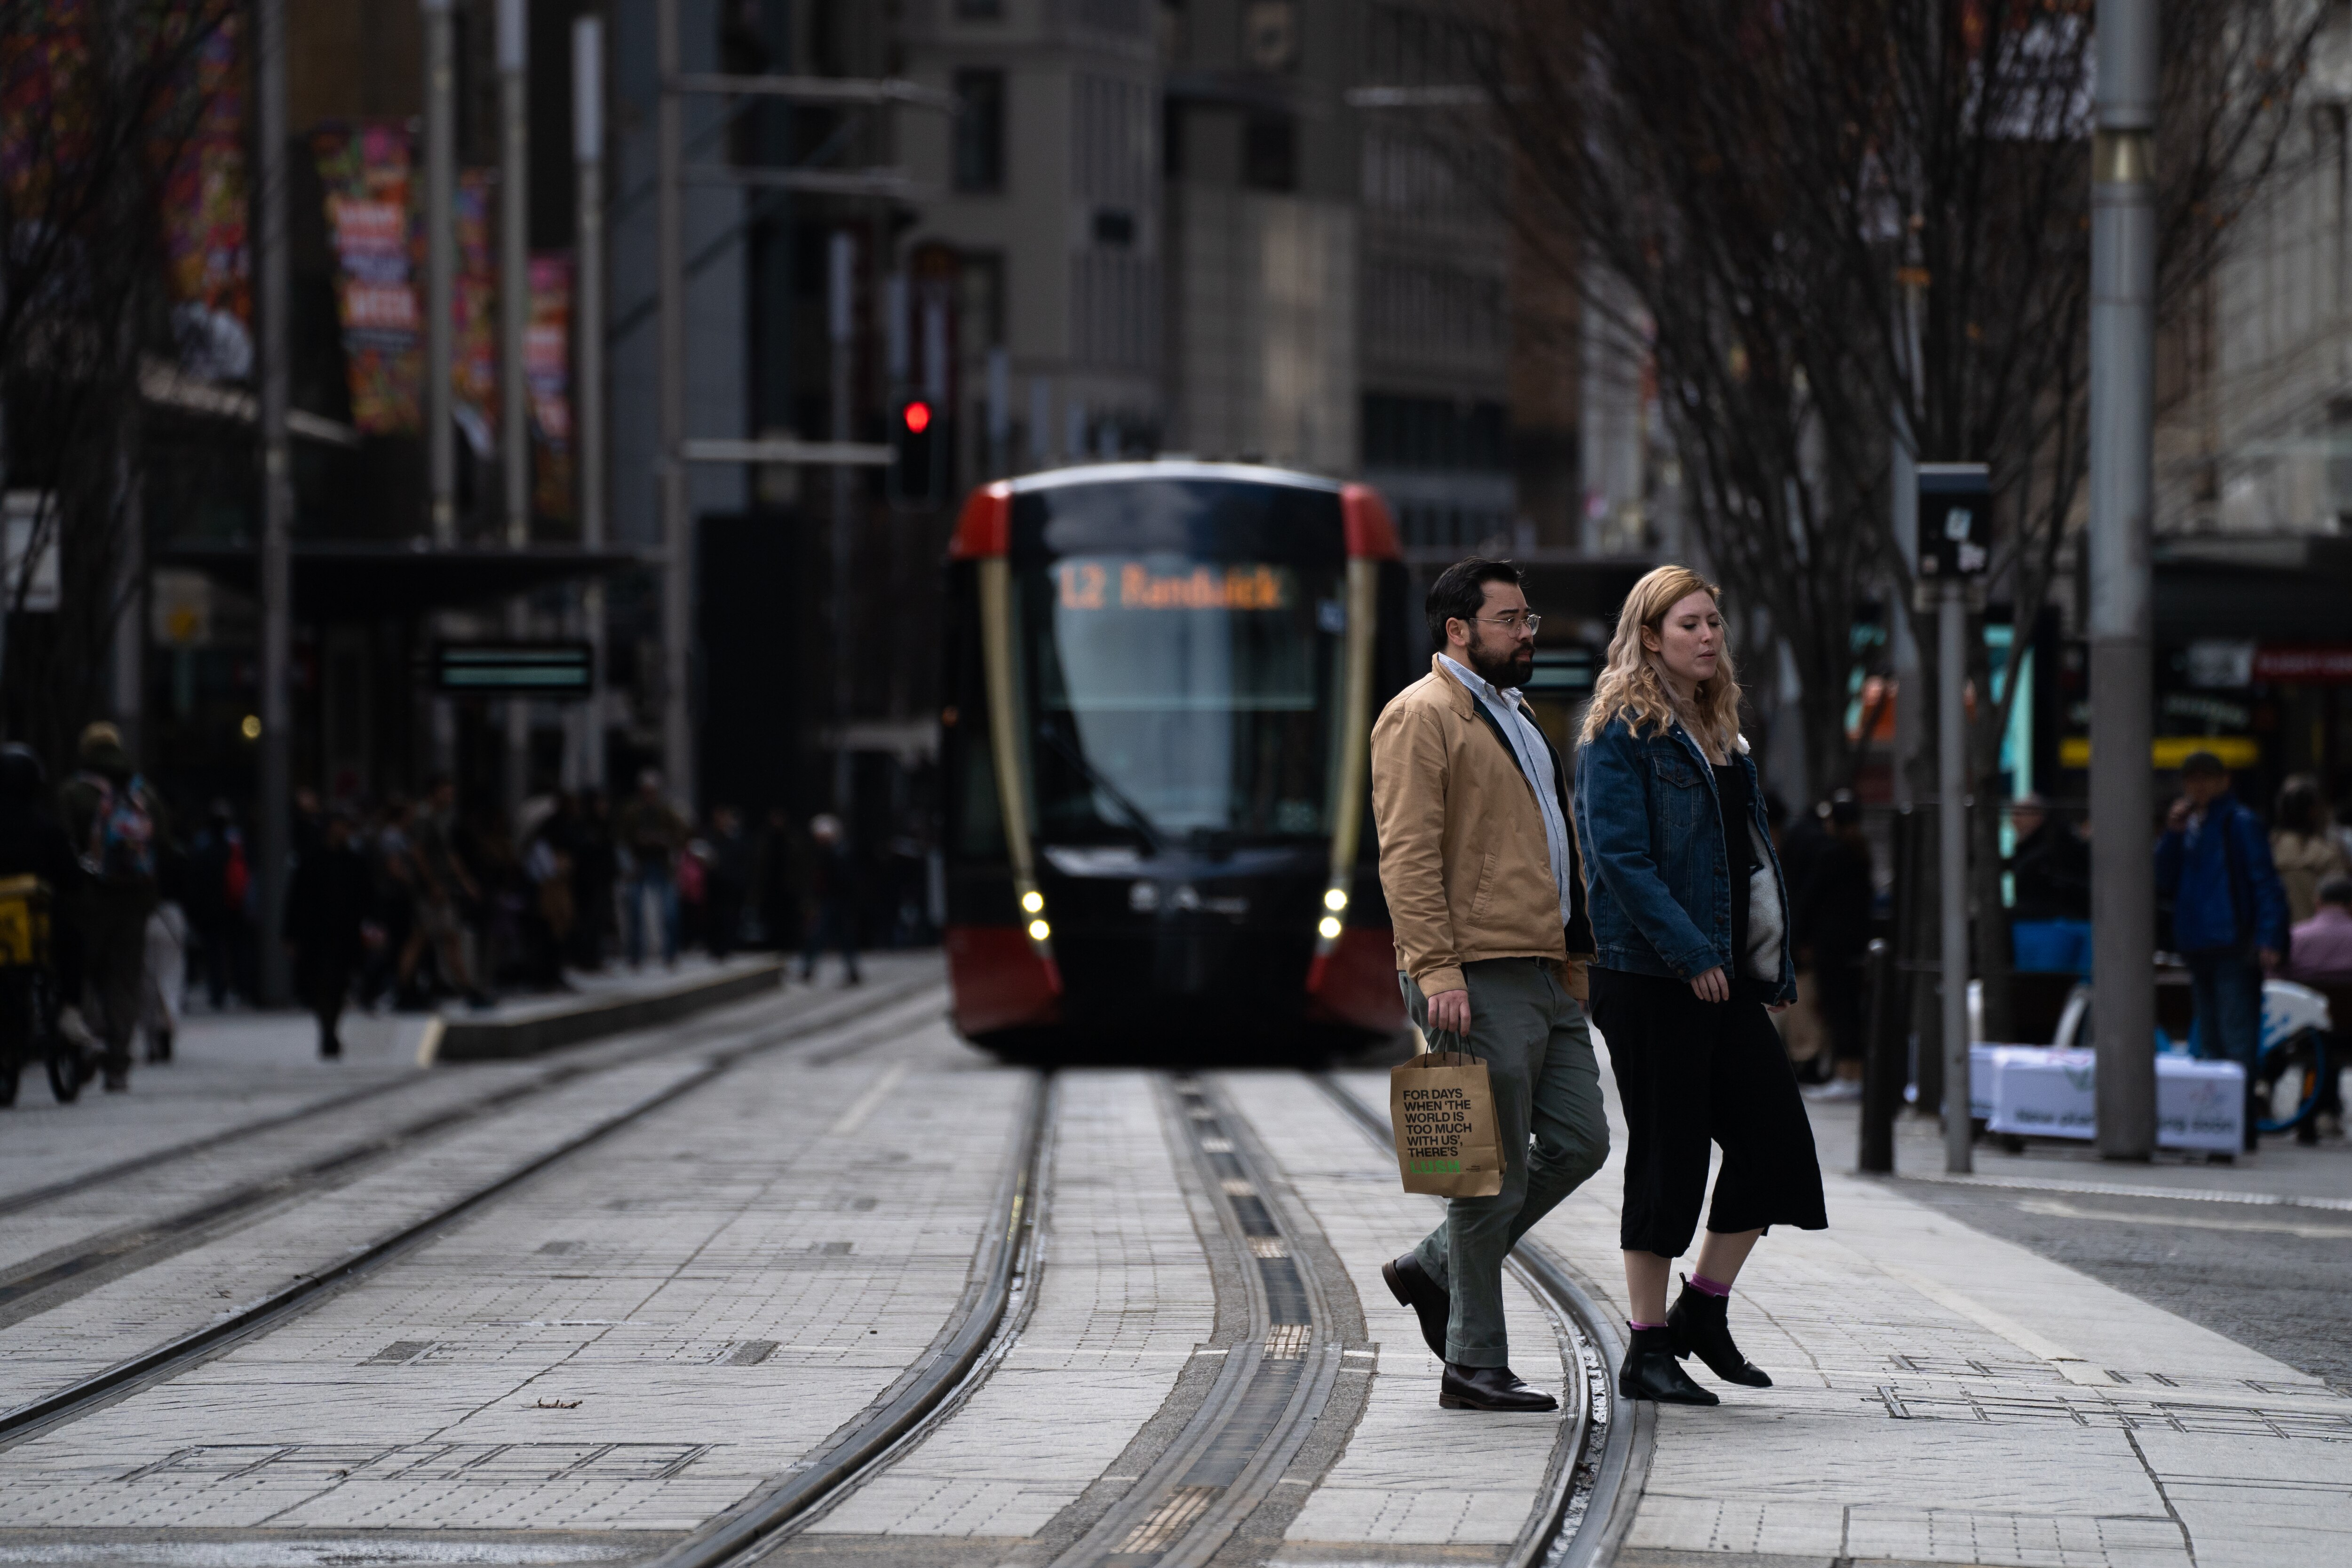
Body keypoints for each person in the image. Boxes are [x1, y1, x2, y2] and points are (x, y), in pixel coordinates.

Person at [1575, 564, 1827, 1407]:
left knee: (1775, 1146)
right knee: (1668, 1155)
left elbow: (1745, 863)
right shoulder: (1621, 730)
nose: (1709, 636)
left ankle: (1703, 1309)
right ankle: (1648, 1346)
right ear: (1649, 637)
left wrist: (1765, 962)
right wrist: (1691, 953)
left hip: (1723, 976)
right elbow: (1620, 860)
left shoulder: (1720, 730)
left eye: (1714, 622)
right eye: (1690, 624)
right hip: (1651, 975)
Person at [1367, 557, 1609, 1414]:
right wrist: (1436, 970)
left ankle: (1433, 1266)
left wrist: (1573, 959)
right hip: (1470, 975)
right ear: (1458, 629)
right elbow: (1407, 854)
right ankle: (1473, 1363)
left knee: (1581, 1142)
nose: (1527, 632)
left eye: (1528, 618)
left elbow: (1556, 846)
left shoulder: (1517, 715)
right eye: (1510, 620)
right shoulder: (1420, 715)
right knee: (1480, 1175)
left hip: (1543, 969)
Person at [2155, 750, 2288, 1153]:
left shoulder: (2239, 822)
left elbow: (2264, 882)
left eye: (2206, 778)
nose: (2198, 786)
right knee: (2212, 1039)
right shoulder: (2189, 826)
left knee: (2234, 1039)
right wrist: (2172, 835)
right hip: (2199, 944)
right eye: (2191, 779)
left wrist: (2269, 938)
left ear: (2223, 781)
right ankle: (2219, 1126)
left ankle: (2238, 1125)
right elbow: (2162, 878)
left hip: (2231, 943)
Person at [58, 723, 160, 1091]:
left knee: (81, 970)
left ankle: (91, 1039)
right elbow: (164, 843)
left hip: (88, 901)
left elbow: (63, 846)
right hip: (135, 902)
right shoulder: (143, 793)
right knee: (124, 980)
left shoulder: (74, 792)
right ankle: (118, 1065)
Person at [0, 744, 96, 1066]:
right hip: (38, 931)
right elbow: (70, 877)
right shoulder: (46, 827)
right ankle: (70, 1013)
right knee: (72, 942)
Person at [1796, 791, 1874, 1099]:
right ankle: (1854, 1072)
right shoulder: (1861, 854)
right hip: (1854, 944)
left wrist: (1799, 937)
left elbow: (1809, 899)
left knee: (1838, 1007)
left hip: (1830, 944)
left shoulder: (1830, 855)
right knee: (1850, 1007)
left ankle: (1846, 1072)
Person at [285, 809, 372, 1058]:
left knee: (340, 985)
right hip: (317, 934)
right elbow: (297, 899)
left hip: (345, 933)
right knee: (321, 984)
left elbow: (367, 897)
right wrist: (290, 934)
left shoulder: (354, 862)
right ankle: (328, 1031)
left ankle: (331, 1029)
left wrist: (372, 926)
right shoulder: (312, 861)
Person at [404, 775, 487, 1007]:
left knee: (446, 937)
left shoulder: (440, 818)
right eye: (447, 792)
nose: (450, 797)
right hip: (430, 891)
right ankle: (406, 989)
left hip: (440, 888)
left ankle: (466, 988)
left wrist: (465, 881)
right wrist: (433, 885)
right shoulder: (424, 817)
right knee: (422, 938)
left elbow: (449, 855)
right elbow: (418, 852)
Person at [2285, 874, 2352, 1141]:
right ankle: (2328, 1111)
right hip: (2349, 1034)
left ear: (2318, 902)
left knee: (2317, 1043)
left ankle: (2310, 1112)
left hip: (2303, 1033)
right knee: (2333, 1037)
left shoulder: (2296, 937)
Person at [2009, 794, 2092, 973]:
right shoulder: (2032, 849)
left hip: (2051, 926)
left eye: (2020, 813)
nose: (2014, 819)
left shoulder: (2051, 848)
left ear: (2038, 816)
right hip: (2047, 925)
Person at [618, 770, 687, 968]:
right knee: (635, 911)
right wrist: (633, 853)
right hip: (640, 865)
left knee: (670, 912)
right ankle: (635, 956)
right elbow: (622, 838)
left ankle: (670, 954)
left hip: (662, 865)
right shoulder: (632, 812)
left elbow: (682, 834)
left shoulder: (666, 811)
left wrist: (664, 839)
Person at [2270, 775, 2348, 927]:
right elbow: (2341, 907)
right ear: (2313, 811)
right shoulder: (2328, 854)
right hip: (2321, 937)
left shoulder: (2266, 851)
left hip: (2278, 936)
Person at [801, 813, 862, 985]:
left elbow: (845, 879)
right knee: (820, 935)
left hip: (839, 901)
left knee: (841, 936)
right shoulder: (824, 853)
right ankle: (809, 968)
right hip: (828, 901)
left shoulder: (839, 852)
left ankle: (851, 970)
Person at [703, 805, 751, 960]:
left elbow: (742, 859)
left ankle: (726, 948)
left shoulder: (735, 837)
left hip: (732, 885)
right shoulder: (711, 838)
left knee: (730, 917)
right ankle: (716, 948)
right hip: (715, 884)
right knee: (715, 917)